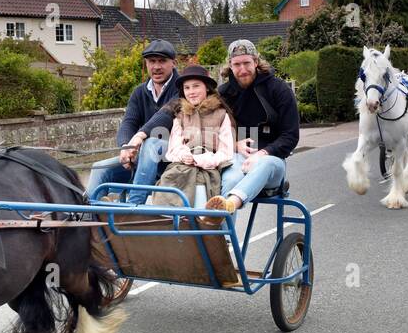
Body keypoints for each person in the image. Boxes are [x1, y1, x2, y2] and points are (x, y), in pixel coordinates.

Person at [137, 39, 299, 219]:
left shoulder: (278, 89)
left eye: (247, 63)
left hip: (271, 160)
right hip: (236, 157)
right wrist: (234, 144)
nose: (242, 69)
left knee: (266, 164)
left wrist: (263, 153)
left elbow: (291, 136)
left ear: (256, 61)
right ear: (230, 65)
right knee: (230, 178)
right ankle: (221, 239)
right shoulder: (224, 93)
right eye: (237, 64)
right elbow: (178, 110)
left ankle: (231, 204)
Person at [86, 40, 180, 203]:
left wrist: (139, 136)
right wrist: (126, 147)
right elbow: (128, 122)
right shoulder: (139, 92)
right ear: (146, 63)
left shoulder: (183, 88)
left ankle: (133, 206)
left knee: (151, 143)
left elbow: (166, 114)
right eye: (152, 61)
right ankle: (88, 215)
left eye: (162, 61)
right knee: (100, 168)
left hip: (172, 158)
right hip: (143, 162)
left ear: (174, 63)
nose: (156, 67)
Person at [147, 65, 235, 208]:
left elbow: (226, 152)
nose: (191, 92)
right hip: (181, 167)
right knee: (167, 185)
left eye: (196, 86)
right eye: (187, 88)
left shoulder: (221, 115)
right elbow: (173, 149)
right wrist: (183, 155)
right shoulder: (180, 116)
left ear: (206, 87)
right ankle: (165, 221)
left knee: (199, 187)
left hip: (208, 169)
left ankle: (204, 223)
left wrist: (201, 159)